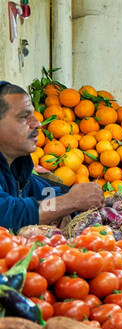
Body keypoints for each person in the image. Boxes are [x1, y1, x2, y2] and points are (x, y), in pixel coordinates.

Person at [0, 81, 102, 228]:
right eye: (24, 117)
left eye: (33, 115)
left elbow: (47, 193)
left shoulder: (18, 169)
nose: (37, 124)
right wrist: (71, 201)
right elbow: (9, 213)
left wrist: (68, 202)